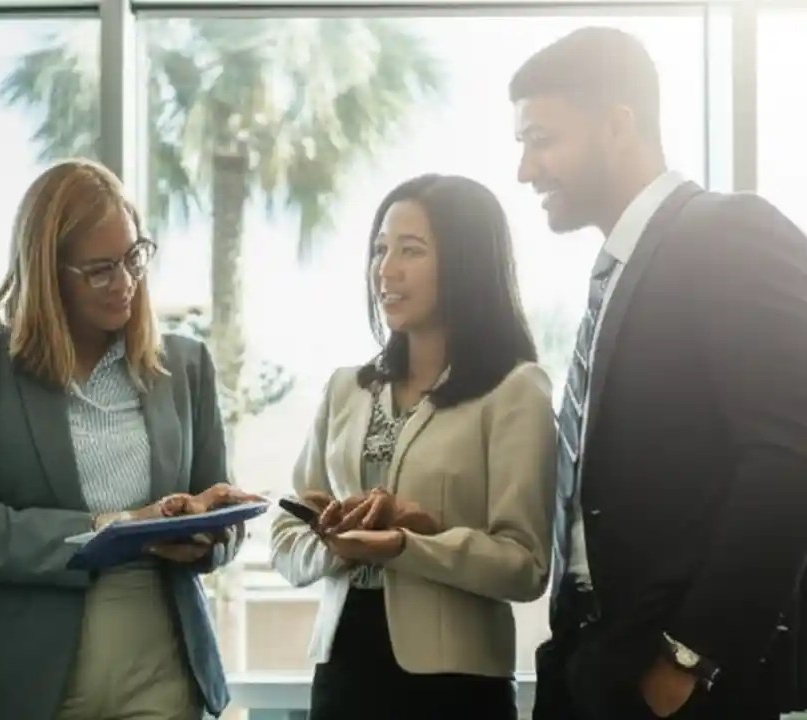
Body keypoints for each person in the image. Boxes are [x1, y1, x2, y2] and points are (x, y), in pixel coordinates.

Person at [512, 27, 807, 720]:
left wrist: (689, 658)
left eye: (541, 138)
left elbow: (789, 457)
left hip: (680, 680)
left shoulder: (728, 232)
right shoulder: (613, 274)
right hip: (595, 666)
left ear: (618, 125)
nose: (525, 169)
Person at [0, 158, 257, 720]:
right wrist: (110, 528)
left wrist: (206, 535)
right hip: (24, 676)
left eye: (134, 257)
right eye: (100, 269)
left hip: (162, 665)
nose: (126, 282)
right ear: (47, 271)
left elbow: (215, 508)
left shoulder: (185, 364)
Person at [269, 173, 557, 720]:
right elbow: (287, 528)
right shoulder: (345, 390)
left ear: (465, 263)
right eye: (380, 249)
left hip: (454, 689)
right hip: (342, 675)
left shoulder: (516, 390)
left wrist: (405, 545)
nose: (386, 269)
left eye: (410, 250)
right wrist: (334, 542)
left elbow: (524, 565)